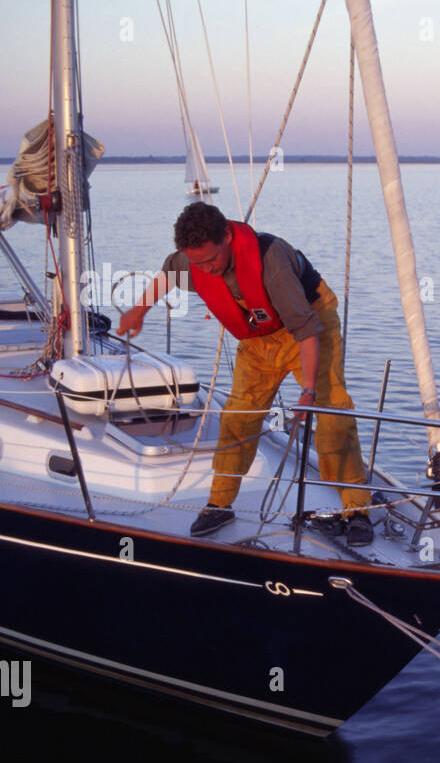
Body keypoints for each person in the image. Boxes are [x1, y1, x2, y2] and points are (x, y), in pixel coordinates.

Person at [117, 201, 373, 544]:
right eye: (197, 263)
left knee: (331, 413)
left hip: (309, 325)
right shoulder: (193, 262)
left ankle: (356, 510)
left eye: (211, 260)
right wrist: (138, 312)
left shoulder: (272, 263)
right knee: (237, 416)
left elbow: (307, 330)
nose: (205, 269)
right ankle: (219, 504)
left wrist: (308, 391)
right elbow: (166, 277)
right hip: (258, 338)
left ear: (226, 236)